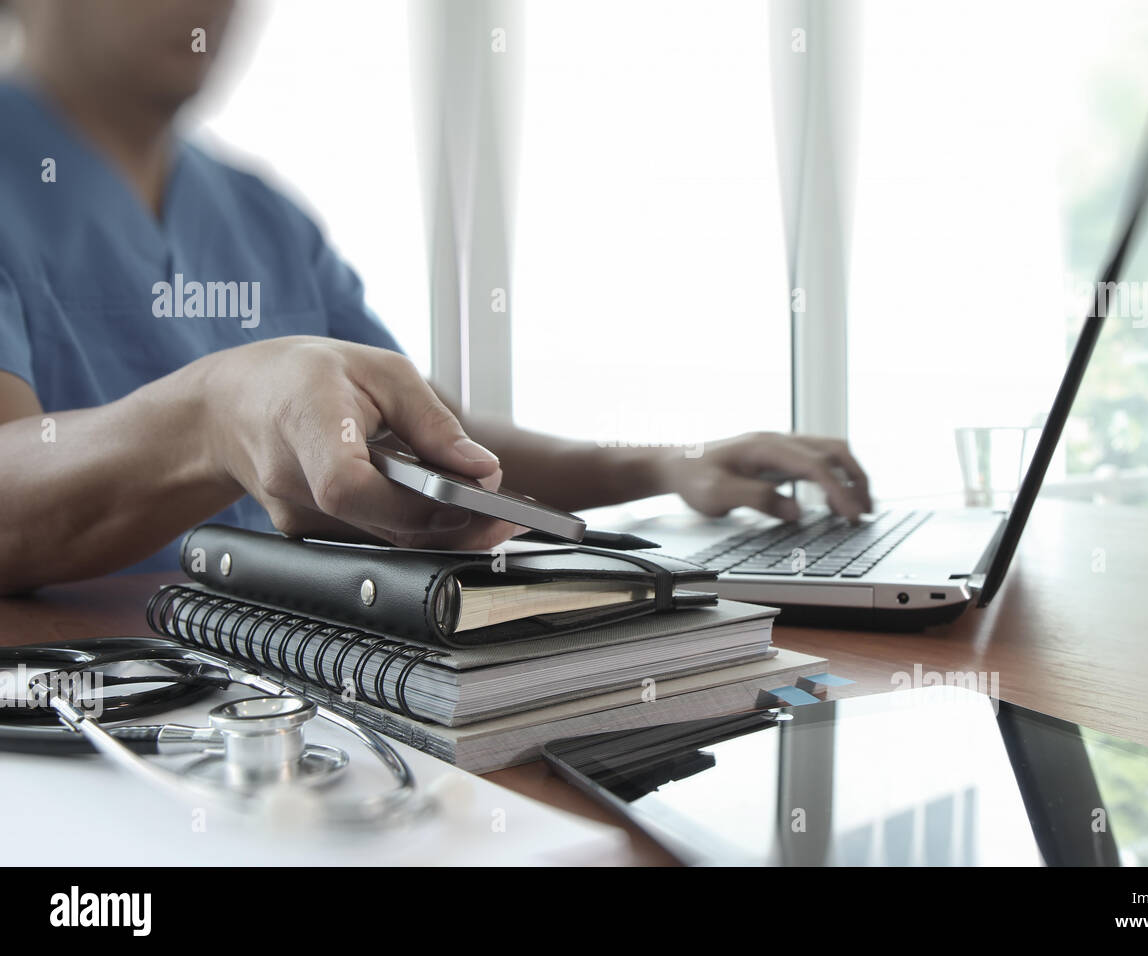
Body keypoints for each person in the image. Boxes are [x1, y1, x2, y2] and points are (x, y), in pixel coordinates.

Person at [0, 0, 871, 594]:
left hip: (290, 697)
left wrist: (664, 463)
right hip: (92, 709)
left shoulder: (260, 214)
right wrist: (210, 414)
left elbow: (436, 442)